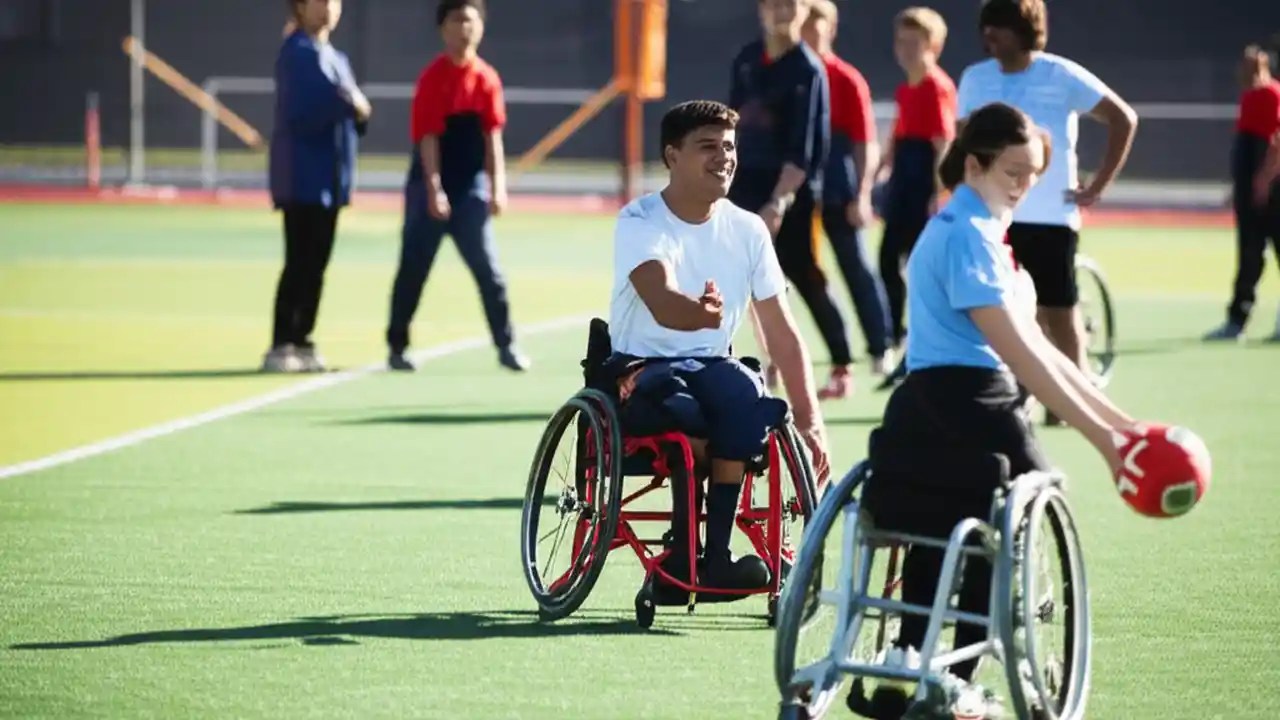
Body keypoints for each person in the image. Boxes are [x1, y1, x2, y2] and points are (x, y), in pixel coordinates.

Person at [858, 102, 1137, 713]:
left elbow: (1038, 350)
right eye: (1015, 171)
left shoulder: (976, 229)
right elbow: (1025, 357)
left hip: (929, 404)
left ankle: (911, 652)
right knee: (1011, 505)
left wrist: (1121, 424)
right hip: (970, 399)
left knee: (940, 516)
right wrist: (1104, 442)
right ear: (976, 164)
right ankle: (962, 664)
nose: (1027, 185)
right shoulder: (969, 237)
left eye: (1034, 172)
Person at [607, 99, 831, 591]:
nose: (723, 157)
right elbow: (663, 302)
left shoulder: (747, 229)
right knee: (690, 414)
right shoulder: (640, 220)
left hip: (711, 367)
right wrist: (699, 313)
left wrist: (811, 422)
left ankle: (719, 559)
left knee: (745, 398)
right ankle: (681, 557)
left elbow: (782, 332)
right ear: (672, 156)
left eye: (729, 147)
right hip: (643, 370)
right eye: (707, 146)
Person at [956, 0, 1138, 424]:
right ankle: (1022, 396)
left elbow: (1122, 118)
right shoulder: (974, 78)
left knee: (1059, 311)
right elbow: (963, 142)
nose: (988, 38)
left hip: (1051, 218)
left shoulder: (1060, 74)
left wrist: (1098, 186)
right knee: (1008, 311)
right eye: (986, 29)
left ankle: (1075, 400)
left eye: (997, 29)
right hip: (993, 218)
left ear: (1022, 31)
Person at [385, 0, 528, 372]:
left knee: (489, 270)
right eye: (456, 19)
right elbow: (428, 138)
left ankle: (506, 345)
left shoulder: (487, 79)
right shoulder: (433, 78)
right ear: (442, 28)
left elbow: (491, 137)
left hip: (470, 189)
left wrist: (498, 187)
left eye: (470, 19)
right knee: (413, 268)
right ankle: (397, 346)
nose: (464, 26)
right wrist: (433, 190)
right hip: (429, 186)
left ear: (480, 26)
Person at [728, 0, 857, 400]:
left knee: (806, 276)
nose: (783, 12)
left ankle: (841, 364)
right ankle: (767, 366)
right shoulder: (747, 60)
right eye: (775, 4)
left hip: (792, 195)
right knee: (747, 283)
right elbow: (729, 125)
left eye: (792, 4)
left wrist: (778, 202)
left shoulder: (808, 70)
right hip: (744, 189)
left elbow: (805, 151)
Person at [265, 0, 369, 373]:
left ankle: (303, 339)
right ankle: (281, 343)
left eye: (333, 3)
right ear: (300, 8)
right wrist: (349, 102)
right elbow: (308, 109)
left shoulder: (336, 57)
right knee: (299, 260)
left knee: (317, 263)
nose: (327, 10)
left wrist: (357, 108)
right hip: (302, 176)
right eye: (318, 3)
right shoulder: (296, 52)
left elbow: (355, 111)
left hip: (331, 178)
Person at [800, 0, 895, 377]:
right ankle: (835, 351)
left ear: (830, 29)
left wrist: (862, 193)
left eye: (815, 25)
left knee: (856, 267)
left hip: (840, 186)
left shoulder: (847, 79)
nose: (808, 32)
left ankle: (880, 346)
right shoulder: (789, 75)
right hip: (801, 187)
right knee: (803, 273)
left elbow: (864, 143)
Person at [876, 7, 957, 355]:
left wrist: (937, 191)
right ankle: (896, 331)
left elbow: (942, 142)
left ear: (934, 46)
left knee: (921, 263)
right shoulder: (905, 88)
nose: (907, 49)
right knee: (887, 258)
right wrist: (882, 165)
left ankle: (929, 335)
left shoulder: (935, 86)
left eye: (916, 43)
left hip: (922, 181)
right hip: (902, 183)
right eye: (902, 42)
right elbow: (900, 131)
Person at [1204, 45, 1280, 342]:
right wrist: (1239, 186)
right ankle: (1237, 321)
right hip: (1252, 193)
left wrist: (1264, 180)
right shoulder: (1250, 97)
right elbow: (1246, 147)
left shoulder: (1271, 95)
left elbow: (1275, 143)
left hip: (1272, 191)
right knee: (1249, 256)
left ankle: (1241, 321)